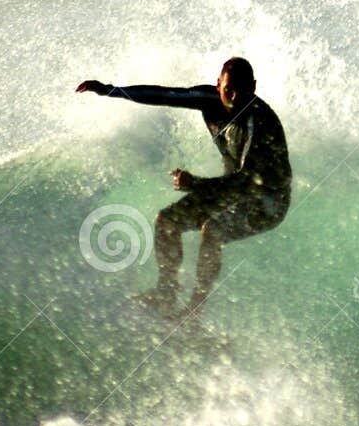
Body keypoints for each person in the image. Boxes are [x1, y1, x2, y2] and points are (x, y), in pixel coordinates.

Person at [76, 57, 291, 314]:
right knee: (167, 221)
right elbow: (164, 95)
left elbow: (246, 182)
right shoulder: (208, 100)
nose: (234, 97)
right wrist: (111, 90)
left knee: (212, 229)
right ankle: (166, 292)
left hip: (269, 201)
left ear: (254, 88)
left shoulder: (260, 123)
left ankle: (193, 312)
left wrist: (196, 183)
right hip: (233, 189)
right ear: (217, 86)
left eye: (242, 91)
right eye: (228, 90)